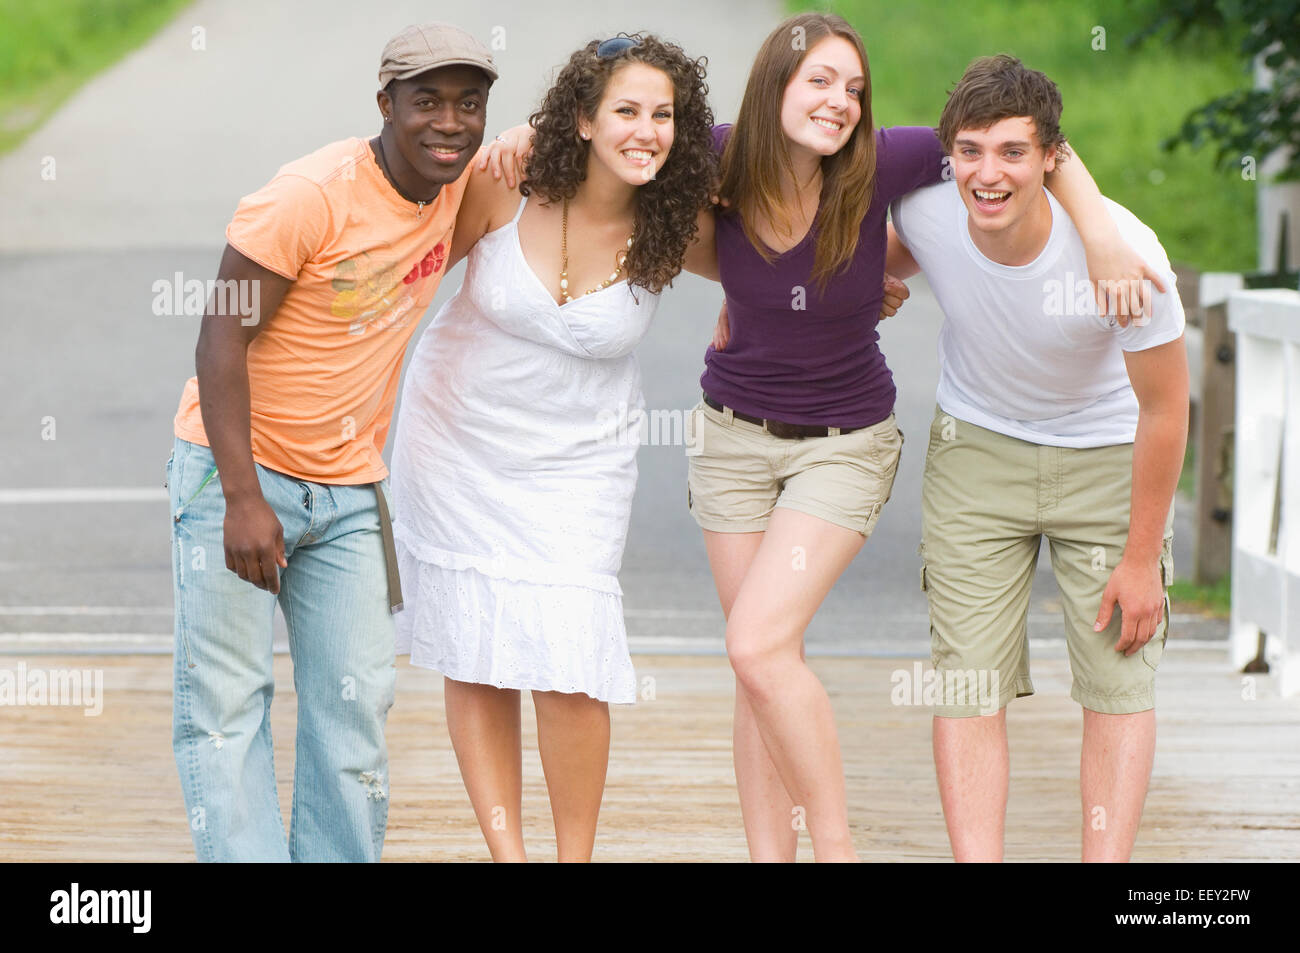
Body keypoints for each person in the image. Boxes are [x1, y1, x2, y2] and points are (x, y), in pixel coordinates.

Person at [484, 13, 1161, 863]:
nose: (841, 103)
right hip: (732, 436)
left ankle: (836, 848)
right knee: (758, 669)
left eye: (854, 88)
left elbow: (1027, 148)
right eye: (819, 83)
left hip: (844, 442)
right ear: (775, 86)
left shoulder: (888, 158)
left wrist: (1098, 235)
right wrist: (529, 132)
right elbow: (622, 146)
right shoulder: (719, 154)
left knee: (758, 643)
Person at [166, 22, 495, 862]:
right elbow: (218, 340)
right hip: (235, 475)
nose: (450, 122)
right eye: (427, 102)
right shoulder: (308, 196)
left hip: (348, 493)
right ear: (385, 103)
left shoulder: (459, 187)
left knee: (354, 713)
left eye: (469, 103)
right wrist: (241, 497)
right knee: (229, 705)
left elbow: (597, 123)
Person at [388, 34, 717, 862]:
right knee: (477, 653)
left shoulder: (673, 221)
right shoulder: (505, 183)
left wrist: (870, 284)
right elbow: (403, 284)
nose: (647, 130)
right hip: (456, 444)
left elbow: (773, 264)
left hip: (580, 465)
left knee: (570, 667)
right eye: (627, 111)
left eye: (664, 115)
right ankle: (511, 856)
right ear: (581, 118)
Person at [886, 54, 1188, 861]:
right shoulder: (923, 212)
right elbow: (841, 252)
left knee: (1118, 683)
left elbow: (1165, 410)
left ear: (1053, 157)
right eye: (972, 152)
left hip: (1106, 458)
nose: (989, 174)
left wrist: (1138, 558)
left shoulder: (1125, 255)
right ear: (949, 154)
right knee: (967, 681)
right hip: (978, 451)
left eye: (1013, 152)